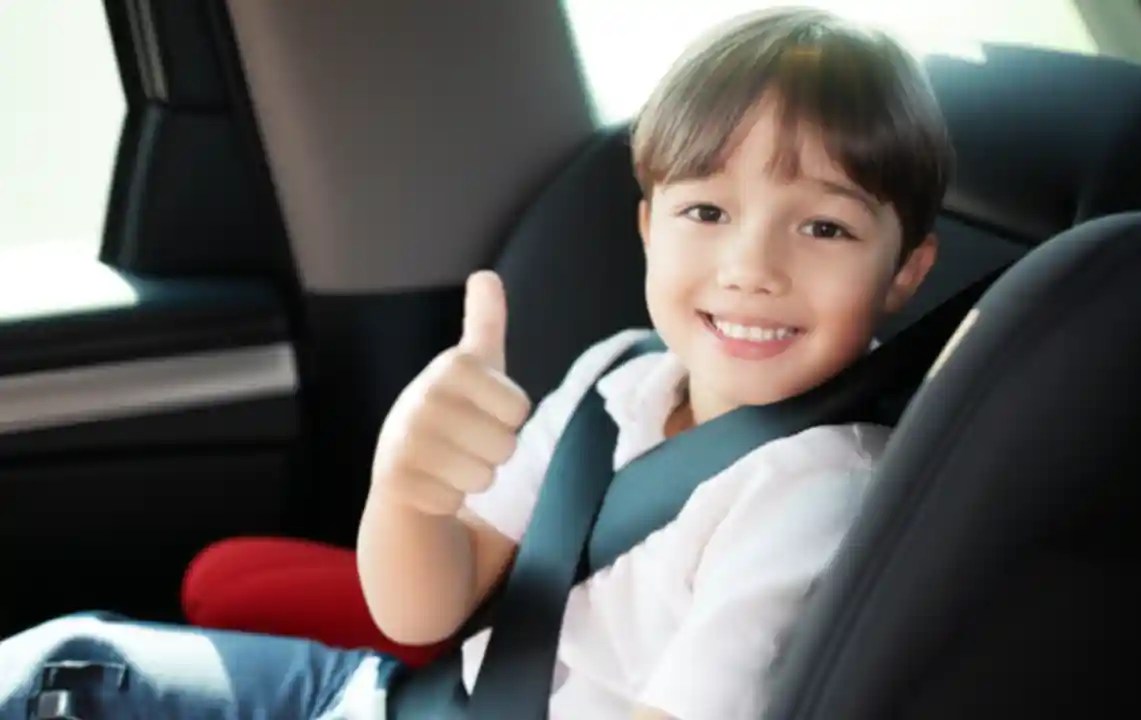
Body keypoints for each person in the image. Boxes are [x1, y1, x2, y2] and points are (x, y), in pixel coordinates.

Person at [0, 7, 952, 719]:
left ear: (905, 272)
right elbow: (426, 609)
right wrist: (409, 489)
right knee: (62, 667)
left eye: (824, 226)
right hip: (401, 700)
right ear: (648, 228)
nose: (752, 269)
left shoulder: (816, 486)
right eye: (707, 212)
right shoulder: (615, 375)